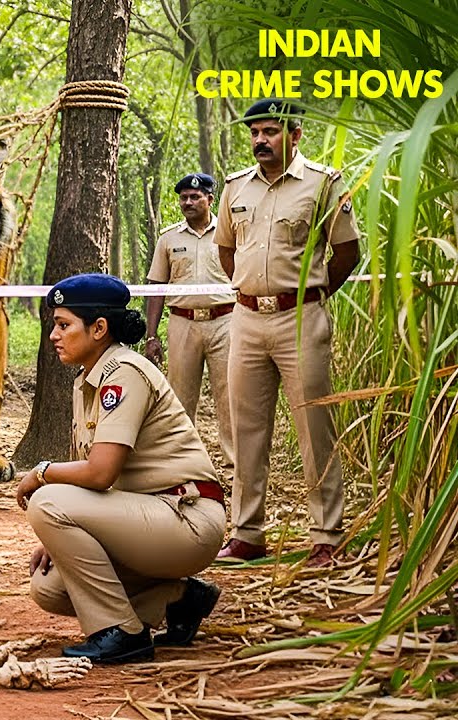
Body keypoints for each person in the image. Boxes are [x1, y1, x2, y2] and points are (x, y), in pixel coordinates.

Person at [16, 273, 226, 664]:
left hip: (186, 518)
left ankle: (123, 632)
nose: (54, 336)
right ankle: (179, 599)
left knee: (44, 502)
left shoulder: (124, 373)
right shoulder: (88, 381)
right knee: (48, 587)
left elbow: (99, 474)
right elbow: (94, 483)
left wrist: (42, 472)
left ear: (99, 328)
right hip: (148, 516)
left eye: (64, 325)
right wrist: (59, 538)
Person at [213, 99, 360, 569]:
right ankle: (247, 532)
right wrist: (255, 294)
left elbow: (345, 253)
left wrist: (306, 295)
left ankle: (326, 536)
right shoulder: (235, 188)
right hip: (247, 321)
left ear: (294, 135)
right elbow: (226, 251)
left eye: (270, 131)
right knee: (246, 429)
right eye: (255, 132)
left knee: (315, 428)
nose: (260, 140)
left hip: (301, 319)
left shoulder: (323, 184)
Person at [144, 172, 235, 482]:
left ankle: (235, 470)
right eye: (184, 197)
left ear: (210, 199)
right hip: (182, 323)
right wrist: (152, 335)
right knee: (181, 398)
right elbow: (156, 288)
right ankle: (185, 467)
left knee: (230, 396)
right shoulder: (169, 239)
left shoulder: (229, 233)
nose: (188, 202)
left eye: (195, 197)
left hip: (226, 322)